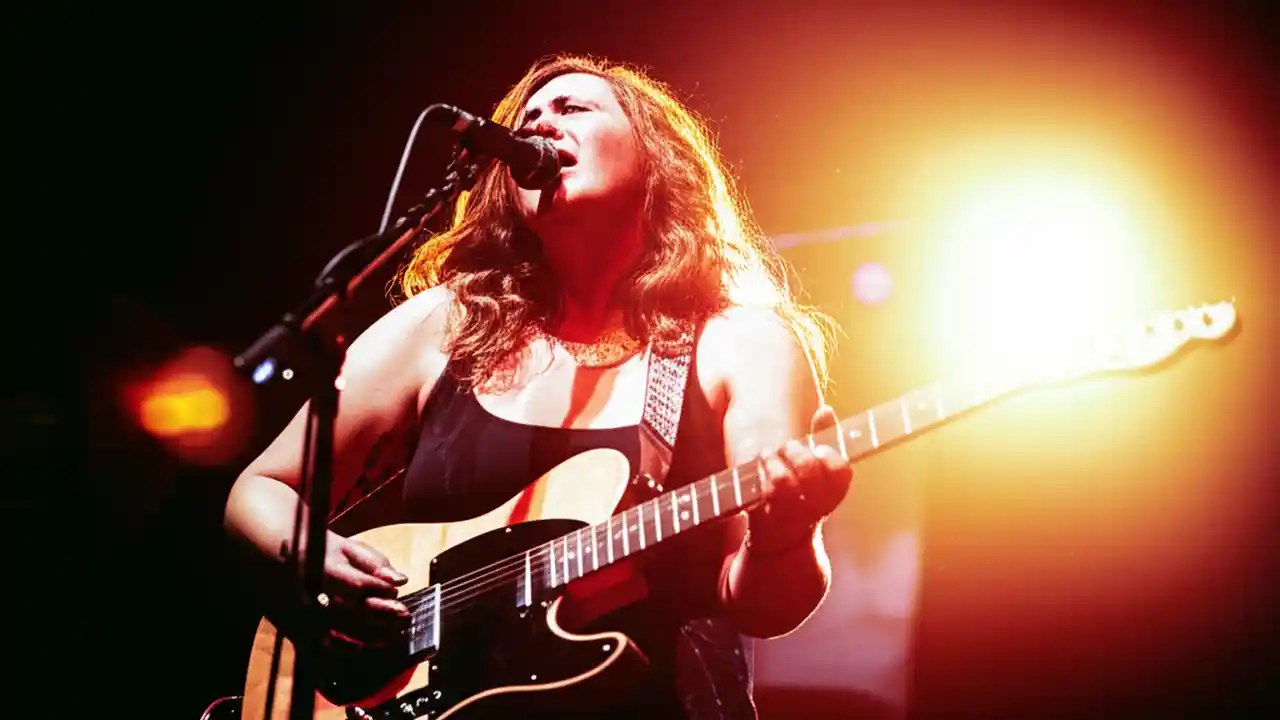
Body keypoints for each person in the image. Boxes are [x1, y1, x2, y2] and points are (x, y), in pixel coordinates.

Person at [223, 53, 853, 719]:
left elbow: (764, 608)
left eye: (574, 109)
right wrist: (314, 554)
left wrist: (785, 533)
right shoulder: (445, 326)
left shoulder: (740, 342)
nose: (542, 123)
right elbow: (259, 491)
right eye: (529, 117)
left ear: (656, 161)